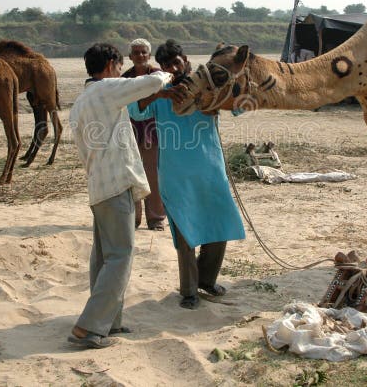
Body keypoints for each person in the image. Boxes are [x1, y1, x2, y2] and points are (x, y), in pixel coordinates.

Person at [68, 42, 174, 349]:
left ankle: (108, 322)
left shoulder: (80, 102)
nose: (118, 70)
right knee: (121, 255)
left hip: (98, 187)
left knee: (103, 257)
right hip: (116, 184)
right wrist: (167, 74)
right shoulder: (107, 88)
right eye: (117, 65)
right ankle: (89, 327)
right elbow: (151, 82)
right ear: (110, 65)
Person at [128, 39, 246, 309]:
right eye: (167, 64)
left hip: (211, 169)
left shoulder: (208, 86)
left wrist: (232, 87)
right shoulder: (161, 92)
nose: (173, 67)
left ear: (186, 61)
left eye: (176, 61)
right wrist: (159, 94)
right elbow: (134, 109)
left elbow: (240, 106)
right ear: (163, 68)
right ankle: (189, 291)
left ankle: (207, 280)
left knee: (218, 225)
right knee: (184, 233)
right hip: (176, 174)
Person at [121, 38, 166, 231]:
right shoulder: (125, 79)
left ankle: (155, 218)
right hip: (130, 129)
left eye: (143, 52)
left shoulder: (159, 76)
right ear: (130, 57)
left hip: (154, 128)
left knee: (153, 174)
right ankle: (134, 219)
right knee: (132, 174)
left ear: (149, 55)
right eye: (136, 53)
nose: (140, 56)